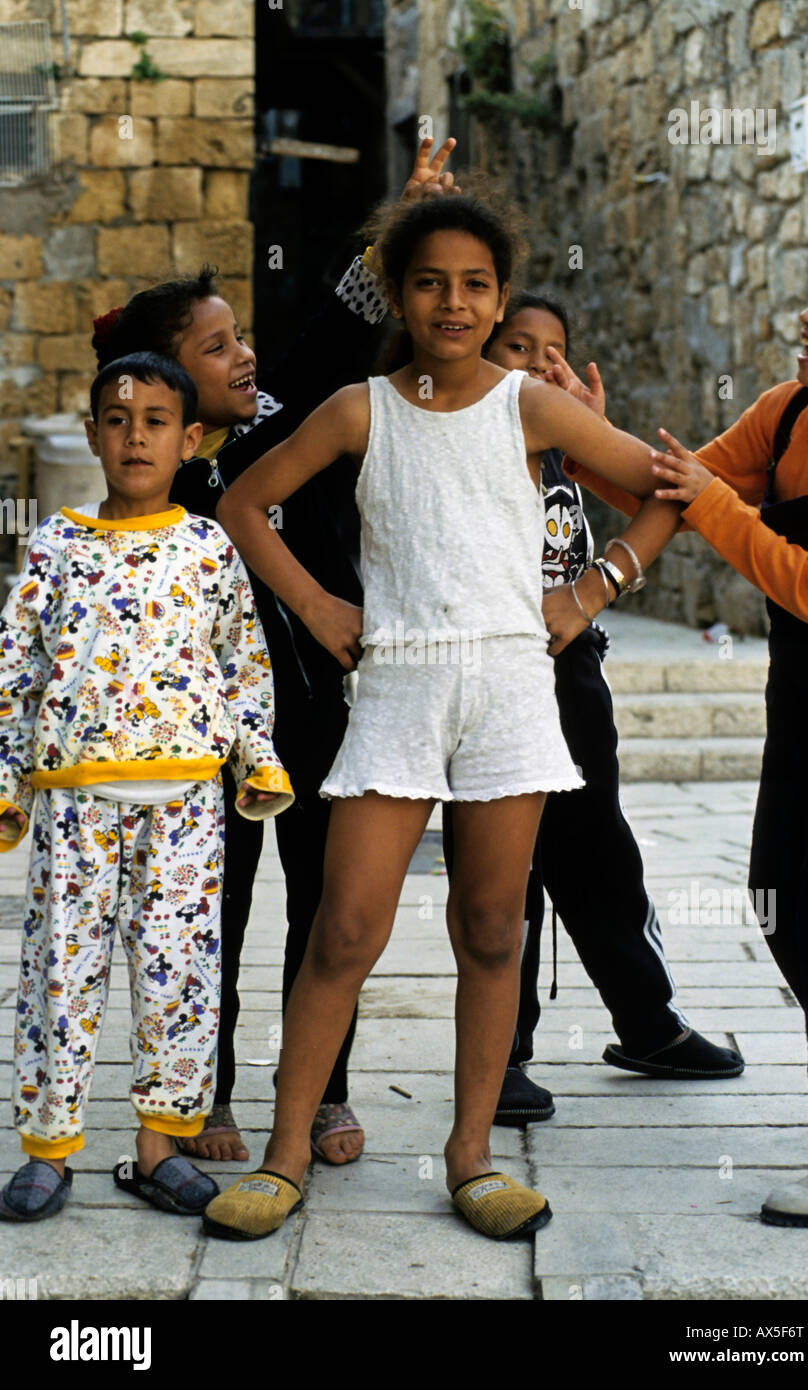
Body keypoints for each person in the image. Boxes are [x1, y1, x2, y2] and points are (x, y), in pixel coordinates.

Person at [203, 188, 684, 1242]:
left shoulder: (531, 406)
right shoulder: (357, 408)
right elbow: (244, 502)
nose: (453, 304)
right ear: (398, 292)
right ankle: (286, 1156)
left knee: (488, 927)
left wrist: (590, 588)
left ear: (499, 294)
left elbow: (669, 487)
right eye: (429, 282)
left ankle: (468, 1156)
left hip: (510, 689)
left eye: (474, 285)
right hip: (399, 687)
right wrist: (319, 601)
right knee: (342, 928)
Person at [90, 137, 461, 1166]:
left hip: (314, 719)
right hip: (200, 738)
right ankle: (200, 1095)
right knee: (206, 914)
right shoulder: (155, 482)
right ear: (164, 378)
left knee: (321, 907)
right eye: (216, 348)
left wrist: (402, 223)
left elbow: (333, 337)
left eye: (238, 335)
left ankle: (327, 1088)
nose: (242, 355)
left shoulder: (278, 434)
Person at [580, 255, 808, 1227]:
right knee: (778, 902)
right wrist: (581, 434)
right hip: (804, 705)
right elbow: (671, 484)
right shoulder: (784, 414)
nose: (807, 319)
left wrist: (706, 498)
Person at [0, 353, 292, 1223]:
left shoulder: (208, 548)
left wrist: (256, 755)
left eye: (156, 421)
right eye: (117, 421)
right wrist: (10, 777)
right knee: (60, 972)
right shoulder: (55, 543)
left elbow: (243, 665)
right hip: (76, 801)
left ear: (189, 439)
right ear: (92, 434)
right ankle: (49, 1150)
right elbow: (15, 669)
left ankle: (159, 1148)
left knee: (181, 978)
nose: (136, 436)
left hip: (185, 808)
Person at [469, 293, 743, 1126]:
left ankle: (647, 1024)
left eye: (553, 351)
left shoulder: (562, 444)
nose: (537, 364)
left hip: (572, 672)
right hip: (491, 675)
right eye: (517, 346)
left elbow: (672, 493)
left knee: (601, 854)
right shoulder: (465, 435)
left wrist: (599, 575)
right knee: (505, 871)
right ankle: (502, 1055)